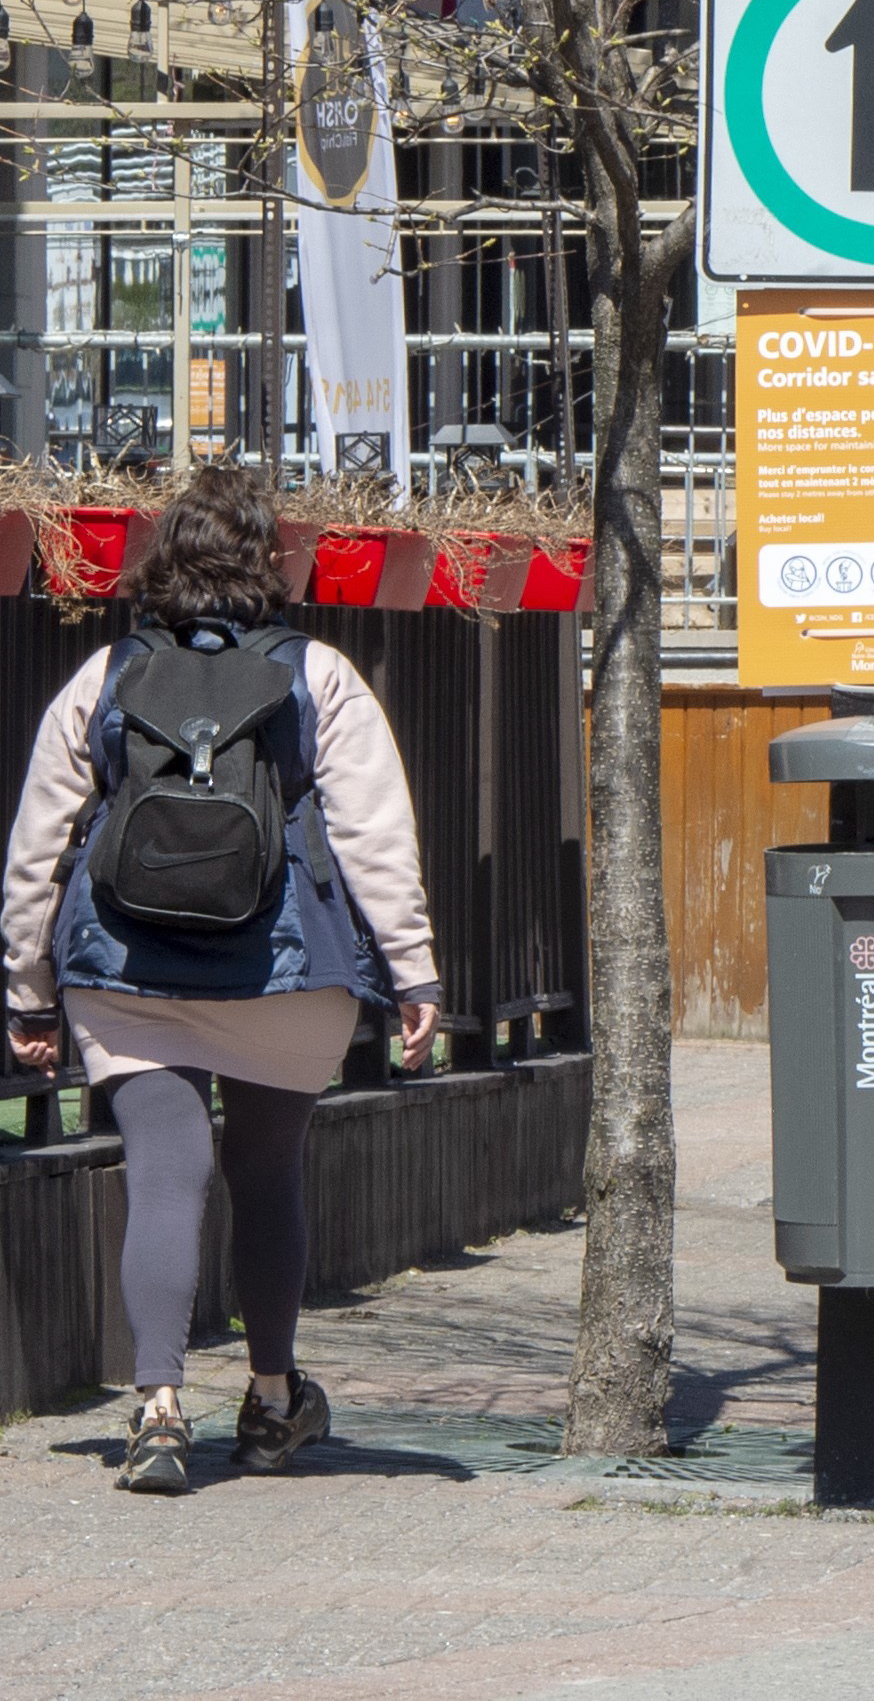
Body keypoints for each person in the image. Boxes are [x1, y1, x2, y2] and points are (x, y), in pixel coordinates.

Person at [2, 465, 440, 1499]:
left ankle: (156, 1409)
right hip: (285, 973)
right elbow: (377, 839)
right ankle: (274, 1399)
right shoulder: (318, 674)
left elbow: (36, 845)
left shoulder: (107, 673)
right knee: (267, 1174)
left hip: (127, 966)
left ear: (160, 563)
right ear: (269, 564)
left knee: (164, 1168)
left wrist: (26, 984)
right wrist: (413, 968)